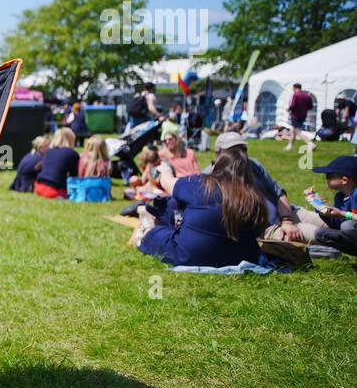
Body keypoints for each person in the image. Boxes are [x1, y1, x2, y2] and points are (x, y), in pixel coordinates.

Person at [133, 149, 268, 267]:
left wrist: (165, 170)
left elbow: (168, 184)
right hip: (241, 257)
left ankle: (144, 231)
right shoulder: (255, 199)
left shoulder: (201, 185)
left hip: (192, 254)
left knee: (155, 235)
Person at [304, 154, 357, 256]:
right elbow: (336, 225)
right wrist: (322, 208)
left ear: (344, 180)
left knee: (347, 226)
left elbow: (346, 221)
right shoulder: (340, 197)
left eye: (329, 176)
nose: (326, 179)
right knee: (322, 234)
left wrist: (341, 213)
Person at [33, 128, 79, 198]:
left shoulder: (49, 151)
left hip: (38, 188)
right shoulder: (72, 153)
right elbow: (74, 176)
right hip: (55, 191)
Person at [284, 83, 314, 152]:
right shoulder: (307, 95)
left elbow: (293, 105)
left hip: (295, 115)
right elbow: (310, 107)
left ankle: (310, 143)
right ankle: (290, 146)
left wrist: (288, 109)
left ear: (295, 88)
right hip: (303, 115)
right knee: (293, 130)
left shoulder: (296, 95)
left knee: (297, 131)